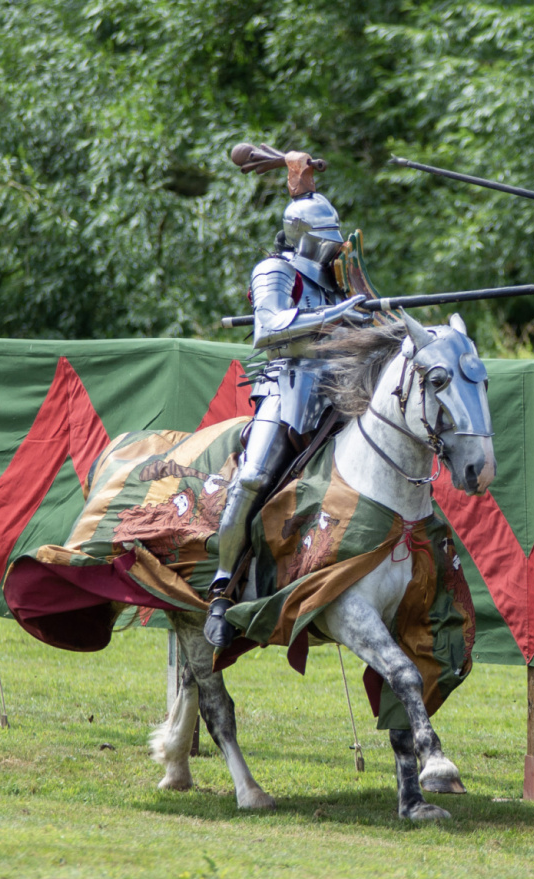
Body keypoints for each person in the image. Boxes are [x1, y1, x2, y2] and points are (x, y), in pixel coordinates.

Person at [203, 153, 367, 648]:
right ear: (303, 235)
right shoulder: (275, 270)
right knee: (252, 479)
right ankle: (223, 588)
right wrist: (335, 314)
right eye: (327, 236)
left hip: (339, 392)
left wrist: (362, 309)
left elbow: (360, 326)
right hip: (286, 390)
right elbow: (269, 330)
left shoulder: (335, 280)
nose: (334, 245)